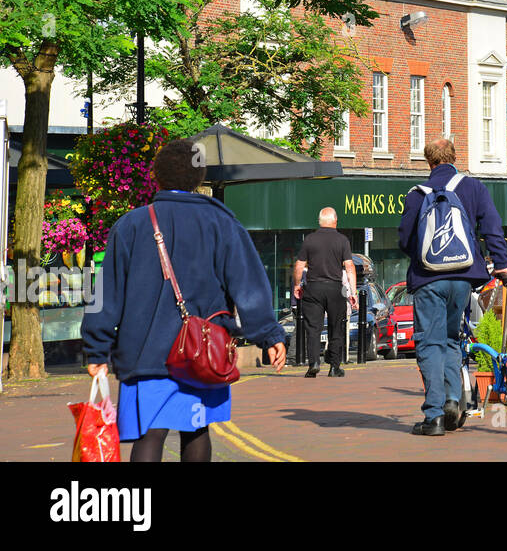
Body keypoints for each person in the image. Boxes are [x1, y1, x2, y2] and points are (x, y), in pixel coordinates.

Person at [81, 138, 287, 462]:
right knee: (196, 430)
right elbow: (248, 282)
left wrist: (96, 348)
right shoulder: (222, 223)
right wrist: (268, 335)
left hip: (144, 352)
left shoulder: (130, 225)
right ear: (198, 178)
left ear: (157, 175)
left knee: (149, 435)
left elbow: (104, 293)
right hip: (200, 350)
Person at [399, 138, 507, 437]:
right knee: (451, 339)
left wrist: (426, 260)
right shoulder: (473, 187)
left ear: (429, 161)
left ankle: (434, 416)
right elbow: (492, 228)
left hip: (428, 280)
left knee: (428, 342)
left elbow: (404, 241)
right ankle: (453, 402)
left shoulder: (416, 194)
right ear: (453, 157)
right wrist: (501, 264)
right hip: (463, 279)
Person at [293, 207, 358, 377]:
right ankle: (335, 367)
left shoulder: (309, 239)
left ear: (320, 221)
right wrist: (353, 292)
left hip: (314, 288)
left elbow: (299, 265)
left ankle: (314, 363)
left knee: (313, 328)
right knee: (336, 326)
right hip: (336, 288)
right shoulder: (342, 240)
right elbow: (349, 267)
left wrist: (297, 285)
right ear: (335, 221)